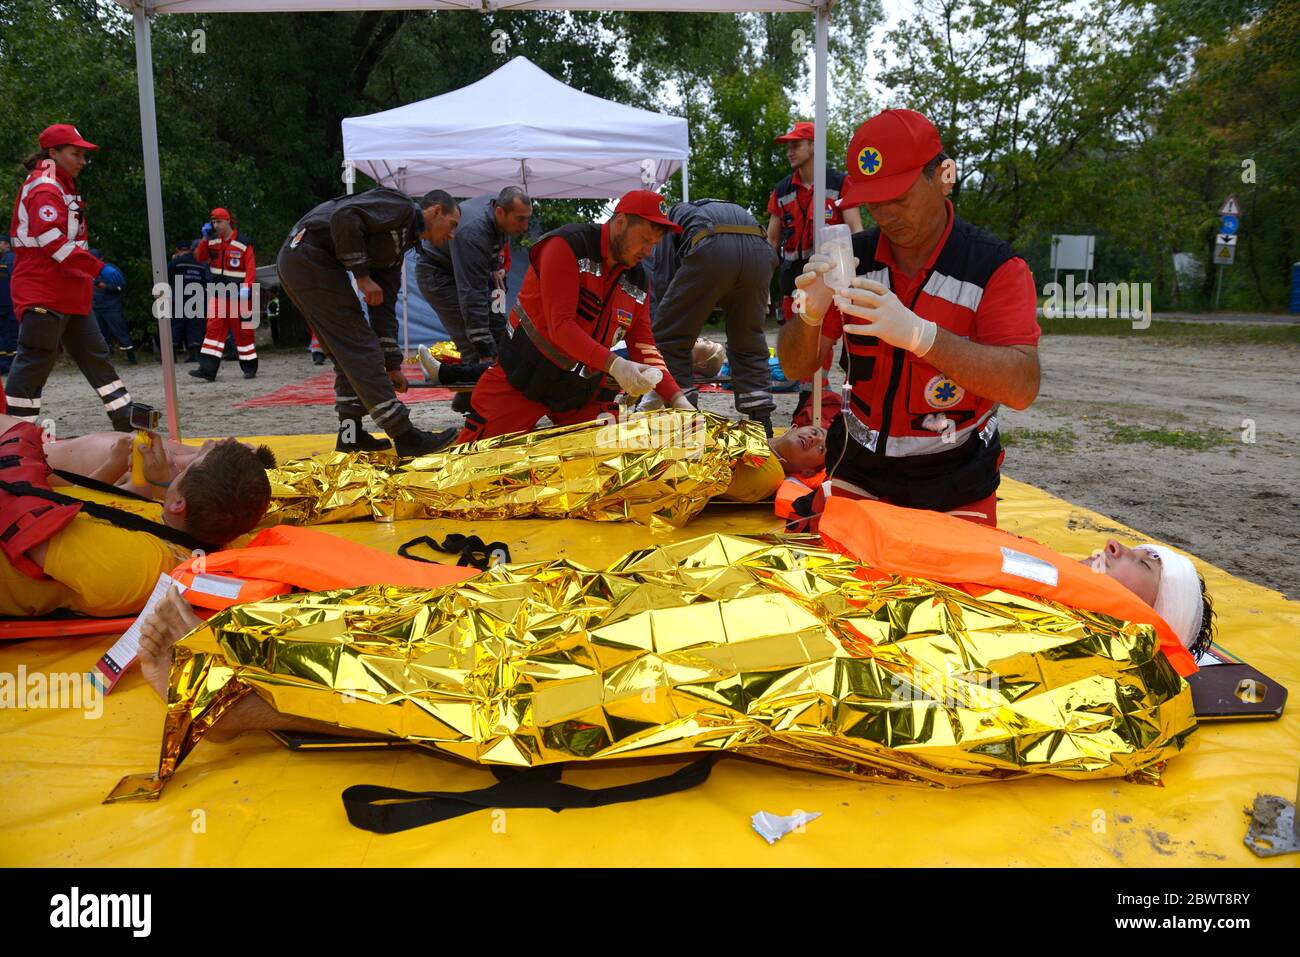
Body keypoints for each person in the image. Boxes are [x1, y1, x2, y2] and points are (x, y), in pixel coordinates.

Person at [131, 518, 1213, 747]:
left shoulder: (1083, 618)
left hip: (774, 629)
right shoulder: (1060, 591)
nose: (1121, 553)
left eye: (1142, 564)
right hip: (767, 591)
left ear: (1146, 601)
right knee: (532, 620)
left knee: (539, 673)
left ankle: (259, 668)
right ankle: (249, 617)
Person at [778, 109, 1041, 528]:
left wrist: (923, 337)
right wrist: (808, 314)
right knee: (823, 575)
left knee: (953, 586)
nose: (887, 215)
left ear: (941, 178)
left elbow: (1022, 386)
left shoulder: (995, 266)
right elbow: (795, 366)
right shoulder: (852, 260)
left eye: (899, 198)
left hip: (955, 473)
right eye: (873, 203)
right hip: (860, 466)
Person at [454, 190, 693, 444]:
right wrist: (616, 365)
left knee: (613, 460)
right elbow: (562, 326)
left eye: (654, 245)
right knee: (473, 459)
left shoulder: (637, 280)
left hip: (581, 394)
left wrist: (677, 398)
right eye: (644, 239)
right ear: (620, 221)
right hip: (521, 380)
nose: (647, 251)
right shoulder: (566, 246)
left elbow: (644, 345)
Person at [0, 413, 271, 618]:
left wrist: (15, 447)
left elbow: (24, 527)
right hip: (25, 509)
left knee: (14, 430)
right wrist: (156, 484)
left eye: (186, 470)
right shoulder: (187, 526)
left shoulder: (139, 565)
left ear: (179, 504)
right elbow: (74, 499)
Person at [276, 187, 462, 456]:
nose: (453, 234)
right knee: (359, 346)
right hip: (307, 257)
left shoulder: (399, 246)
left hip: (302, 260)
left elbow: (383, 306)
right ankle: (405, 435)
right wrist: (362, 276)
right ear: (435, 211)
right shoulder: (400, 207)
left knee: (347, 352)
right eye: (452, 224)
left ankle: (350, 436)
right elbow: (345, 215)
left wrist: (392, 365)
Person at [4, 125, 133, 431]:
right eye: (76, 154)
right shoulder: (45, 187)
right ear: (53, 153)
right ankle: (14, 437)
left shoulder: (61, 185)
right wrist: (97, 268)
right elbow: (51, 242)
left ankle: (127, 420)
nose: (83, 161)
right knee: (36, 361)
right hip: (43, 289)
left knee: (96, 357)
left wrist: (88, 272)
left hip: (70, 290)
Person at [645, 199, 778, 436]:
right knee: (748, 337)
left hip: (712, 248)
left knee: (670, 338)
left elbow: (664, 286)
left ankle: (686, 421)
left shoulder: (670, 222)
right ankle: (761, 421)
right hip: (760, 252)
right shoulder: (720, 210)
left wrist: (668, 325)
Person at [414, 187, 532, 413]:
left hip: (471, 274)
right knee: (475, 344)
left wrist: (496, 268)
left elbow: (489, 284)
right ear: (499, 212)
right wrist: (484, 348)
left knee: (499, 335)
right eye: (520, 220)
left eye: (527, 219)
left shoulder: (499, 215)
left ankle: (468, 399)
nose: (525, 226)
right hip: (437, 274)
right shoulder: (473, 233)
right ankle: (480, 412)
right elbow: (472, 295)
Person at [42, 427, 275, 494]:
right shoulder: (190, 455)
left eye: (236, 447)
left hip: (24, 460)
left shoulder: (158, 477)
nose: (232, 438)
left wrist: (111, 466)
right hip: (37, 444)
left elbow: (80, 499)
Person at [190, 208, 257, 381]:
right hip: (218, 293)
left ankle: (249, 368)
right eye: (213, 222)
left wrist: (247, 287)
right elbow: (200, 257)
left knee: (243, 333)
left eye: (219, 221)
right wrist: (204, 239)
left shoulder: (243, 242)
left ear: (228, 221)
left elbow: (250, 267)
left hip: (238, 294)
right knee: (213, 331)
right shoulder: (211, 241)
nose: (216, 225)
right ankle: (207, 370)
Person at [167, 238, 208, 363]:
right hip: (197, 297)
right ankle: (195, 355)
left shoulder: (176, 262)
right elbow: (205, 281)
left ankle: (171, 356)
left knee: (175, 325)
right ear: (190, 249)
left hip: (179, 296)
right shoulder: (199, 264)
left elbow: (166, 276)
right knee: (195, 326)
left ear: (177, 250)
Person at [90, 250, 134, 365]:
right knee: (99, 335)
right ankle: (104, 361)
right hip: (95, 308)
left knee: (120, 332)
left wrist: (105, 286)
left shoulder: (110, 270)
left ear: (101, 258)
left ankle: (131, 358)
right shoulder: (87, 270)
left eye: (95, 259)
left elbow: (121, 285)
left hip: (111, 307)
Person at [0, 236, 16, 375]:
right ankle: (8, 365)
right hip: (7, 305)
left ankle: (9, 365)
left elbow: (14, 281)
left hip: (9, 305)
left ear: (6, 244)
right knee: (8, 335)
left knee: (10, 334)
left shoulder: (10, 259)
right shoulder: (5, 259)